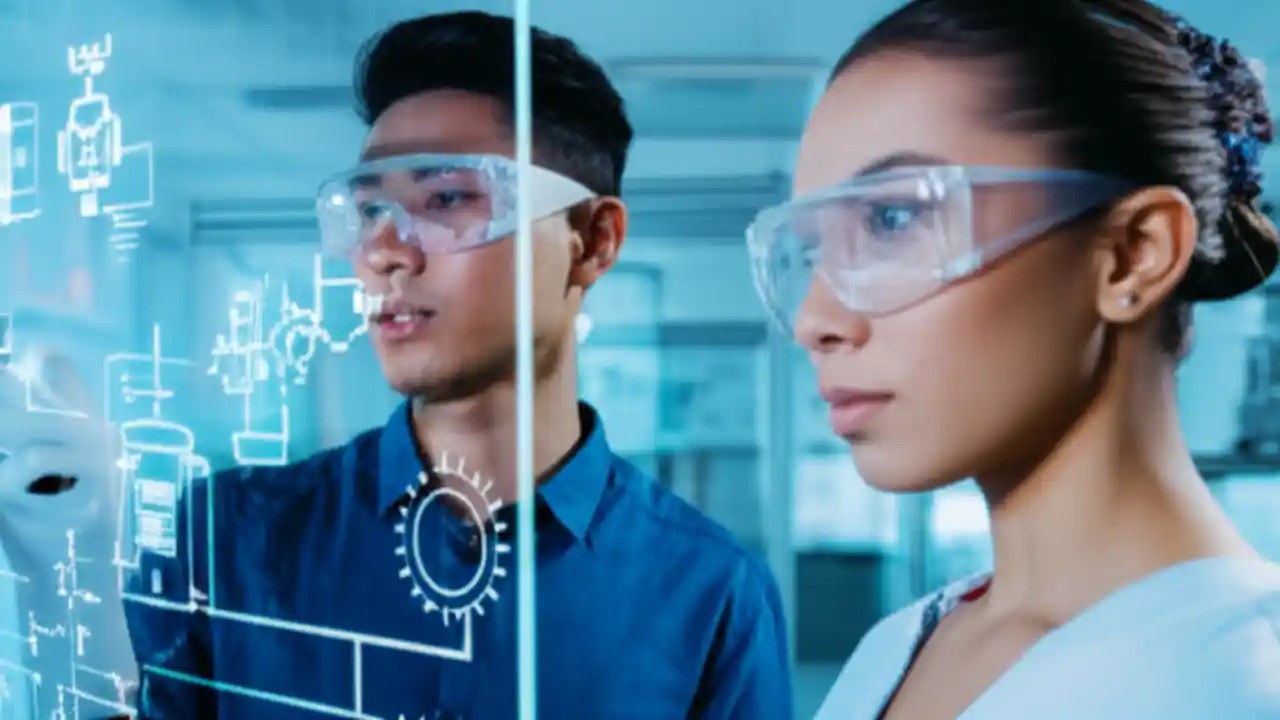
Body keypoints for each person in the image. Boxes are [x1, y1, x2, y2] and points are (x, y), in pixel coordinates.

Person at [117, 11, 791, 720]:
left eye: (446, 199)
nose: (386, 250)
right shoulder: (224, 546)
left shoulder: (709, 594)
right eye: (371, 208)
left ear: (593, 240)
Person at [743, 0, 1280, 718]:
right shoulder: (900, 644)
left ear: (1132, 255)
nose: (816, 319)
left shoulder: (1236, 684)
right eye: (812, 249)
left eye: (893, 219)